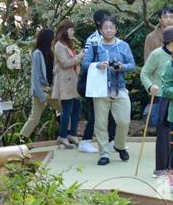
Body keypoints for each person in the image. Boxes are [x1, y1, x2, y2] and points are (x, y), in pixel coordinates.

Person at [82, 14, 137, 165]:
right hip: (100, 90)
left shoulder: (123, 46)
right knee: (100, 123)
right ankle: (104, 153)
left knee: (124, 121)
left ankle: (119, 145)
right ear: (100, 29)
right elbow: (85, 65)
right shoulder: (94, 45)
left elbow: (132, 64)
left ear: (116, 29)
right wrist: (97, 65)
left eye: (111, 27)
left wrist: (122, 67)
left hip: (119, 88)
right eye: (105, 28)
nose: (108, 30)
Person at [141, 24, 173, 189]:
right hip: (161, 97)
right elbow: (144, 72)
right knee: (163, 133)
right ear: (172, 41)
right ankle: (161, 168)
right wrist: (150, 86)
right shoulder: (157, 54)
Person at [20, 28, 60, 140]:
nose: (54, 40)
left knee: (64, 109)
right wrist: (41, 96)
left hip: (50, 88)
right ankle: (21, 139)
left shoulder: (50, 52)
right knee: (35, 117)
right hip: (40, 89)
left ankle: (65, 134)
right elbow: (35, 76)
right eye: (53, 37)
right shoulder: (37, 53)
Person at [52, 20, 83, 148]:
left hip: (73, 81)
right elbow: (64, 63)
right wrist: (79, 57)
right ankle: (63, 136)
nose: (73, 32)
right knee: (67, 110)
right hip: (65, 82)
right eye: (71, 30)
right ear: (65, 30)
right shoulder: (59, 45)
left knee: (77, 108)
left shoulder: (67, 44)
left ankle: (72, 134)